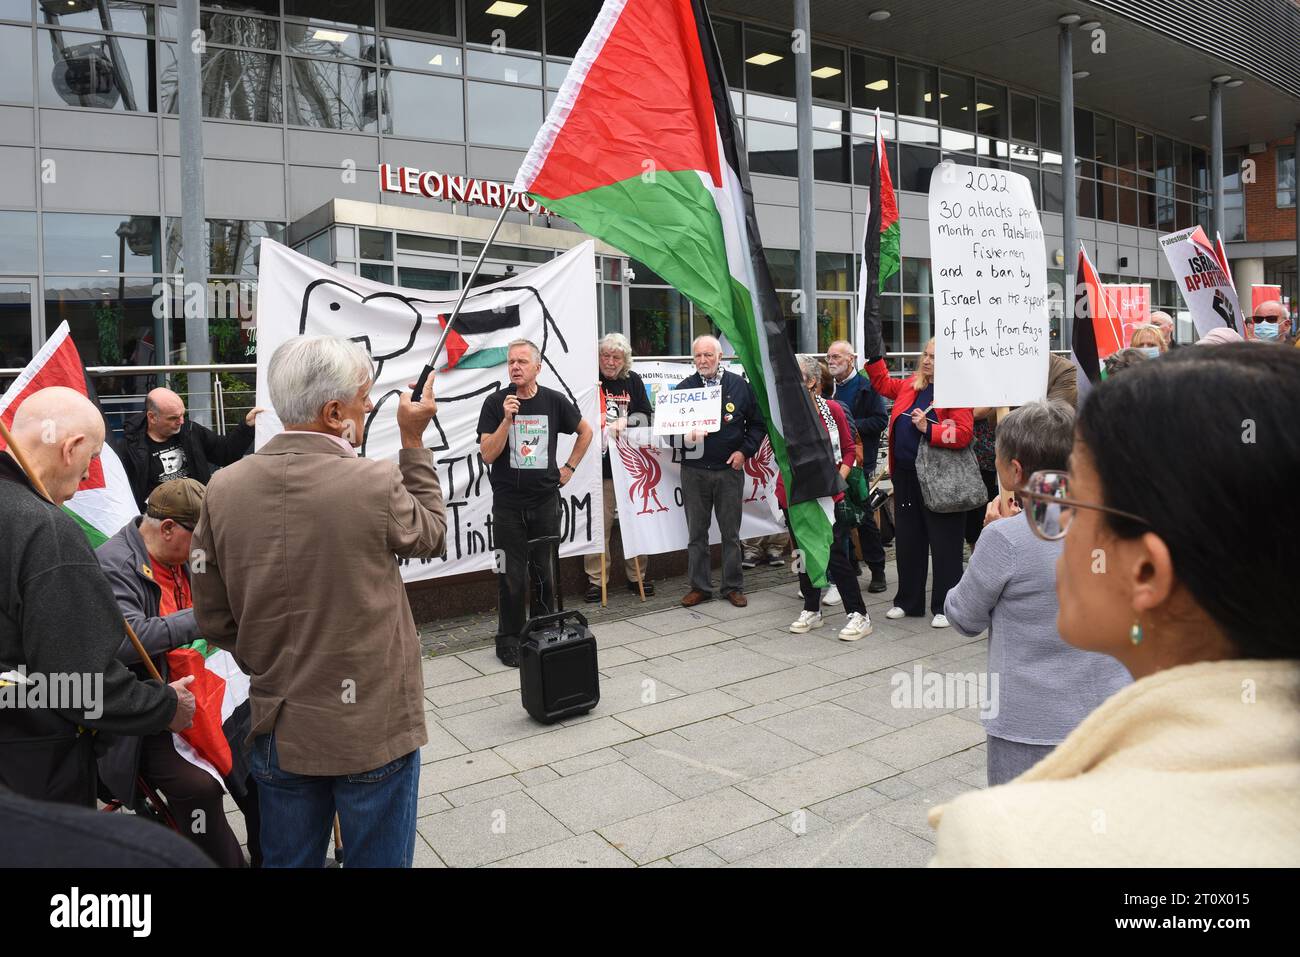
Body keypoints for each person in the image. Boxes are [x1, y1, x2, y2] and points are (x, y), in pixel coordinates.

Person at [930, 345, 1300, 865]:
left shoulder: (1000, 839)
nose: (1061, 524)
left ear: (1147, 568)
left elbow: (963, 614)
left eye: (1082, 499)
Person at [191, 336, 447, 868]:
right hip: (372, 727)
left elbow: (213, 617)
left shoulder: (223, 487)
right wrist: (412, 441)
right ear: (334, 413)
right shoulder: (373, 480)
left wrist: (270, 660)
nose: (370, 406)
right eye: (363, 398)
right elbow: (432, 535)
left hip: (278, 723)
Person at [0, 386, 194, 807]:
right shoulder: (45, 530)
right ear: (70, 449)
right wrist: (162, 705)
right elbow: (76, 683)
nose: (89, 476)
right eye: (92, 460)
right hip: (34, 769)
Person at [943, 402, 1130, 786]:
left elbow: (963, 617)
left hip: (1031, 724)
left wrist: (988, 539)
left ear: (1015, 471)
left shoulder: (1005, 538)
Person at [96, 478, 258, 868]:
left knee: (261, 762)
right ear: (168, 528)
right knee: (198, 788)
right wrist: (205, 617)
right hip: (147, 710)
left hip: (210, 693)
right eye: (201, 538)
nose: (207, 550)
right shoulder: (112, 564)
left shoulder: (188, 554)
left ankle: (275, 857)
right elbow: (126, 641)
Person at [478, 339, 593, 665]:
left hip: (544, 501)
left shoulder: (554, 402)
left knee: (545, 571)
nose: (515, 367)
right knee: (510, 574)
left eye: (522, 362)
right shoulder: (495, 403)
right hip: (508, 506)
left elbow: (586, 432)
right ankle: (509, 638)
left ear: (537, 367)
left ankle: (543, 631)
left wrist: (569, 467)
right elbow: (487, 454)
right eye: (511, 362)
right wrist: (506, 420)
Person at [865, 339, 974, 628]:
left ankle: (946, 605)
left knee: (945, 544)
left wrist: (929, 429)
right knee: (909, 540)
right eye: (925, 354)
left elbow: (963, 435)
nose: (927, 361)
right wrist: (874, 349)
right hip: (905, 474)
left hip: (940, 479)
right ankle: (908, 601)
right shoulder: (913, 385)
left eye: (935, 357)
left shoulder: (955, 392)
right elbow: (881, 382)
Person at [782, 356, 871, 641]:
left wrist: (839, 478)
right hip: (794, 495)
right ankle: (811, 608)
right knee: (802, 555)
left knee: (834, 556)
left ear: (811, 381)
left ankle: (858, 614)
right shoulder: (782, 415)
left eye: (795, 377)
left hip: (827, 495)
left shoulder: (831, 410)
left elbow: (848, 448)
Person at [675, 335, 765, 609]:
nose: (703, 361)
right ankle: (700, 588)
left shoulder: (739, 386)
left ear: (720, 357)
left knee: (731, 533)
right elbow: (667, 433)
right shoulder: (683, 389)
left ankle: (733, 587)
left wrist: (744, 452)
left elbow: (758, 425)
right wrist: (685, 436)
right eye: (698, 356)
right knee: (696, 534)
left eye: (708, 355)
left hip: (729, 470)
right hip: (694, 471)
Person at [116, 386, 265, 511]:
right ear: (152, 417)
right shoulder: (130, 448)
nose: (181, 421)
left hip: (198, 514)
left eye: (183, 415)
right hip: (159, 522)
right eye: (173, 418)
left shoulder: (190, 431)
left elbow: (225, 453)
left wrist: (246, 426)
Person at [585, 333, 653, 602]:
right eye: (605, 356)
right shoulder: (591, 382)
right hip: (598, 469)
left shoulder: (632, 381)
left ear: (624, 360)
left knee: (634, 524)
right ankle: (596, 580)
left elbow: (647, 415)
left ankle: (638, 577)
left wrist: (629, 421)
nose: (610, 361)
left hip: (629, 468)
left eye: (616, 357)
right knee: (599, 527)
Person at [826, 339, 889, 593]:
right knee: (839, 516)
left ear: (850, 359)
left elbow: (880, 420)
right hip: (834, 460)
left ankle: (878, 570)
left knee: (863, 517)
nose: (831, 362)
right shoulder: (826, 387)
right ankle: (850, 564)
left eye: (836, 357)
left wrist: (846, 425)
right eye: (829, 357)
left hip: (860, 461)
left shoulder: (866, 387)